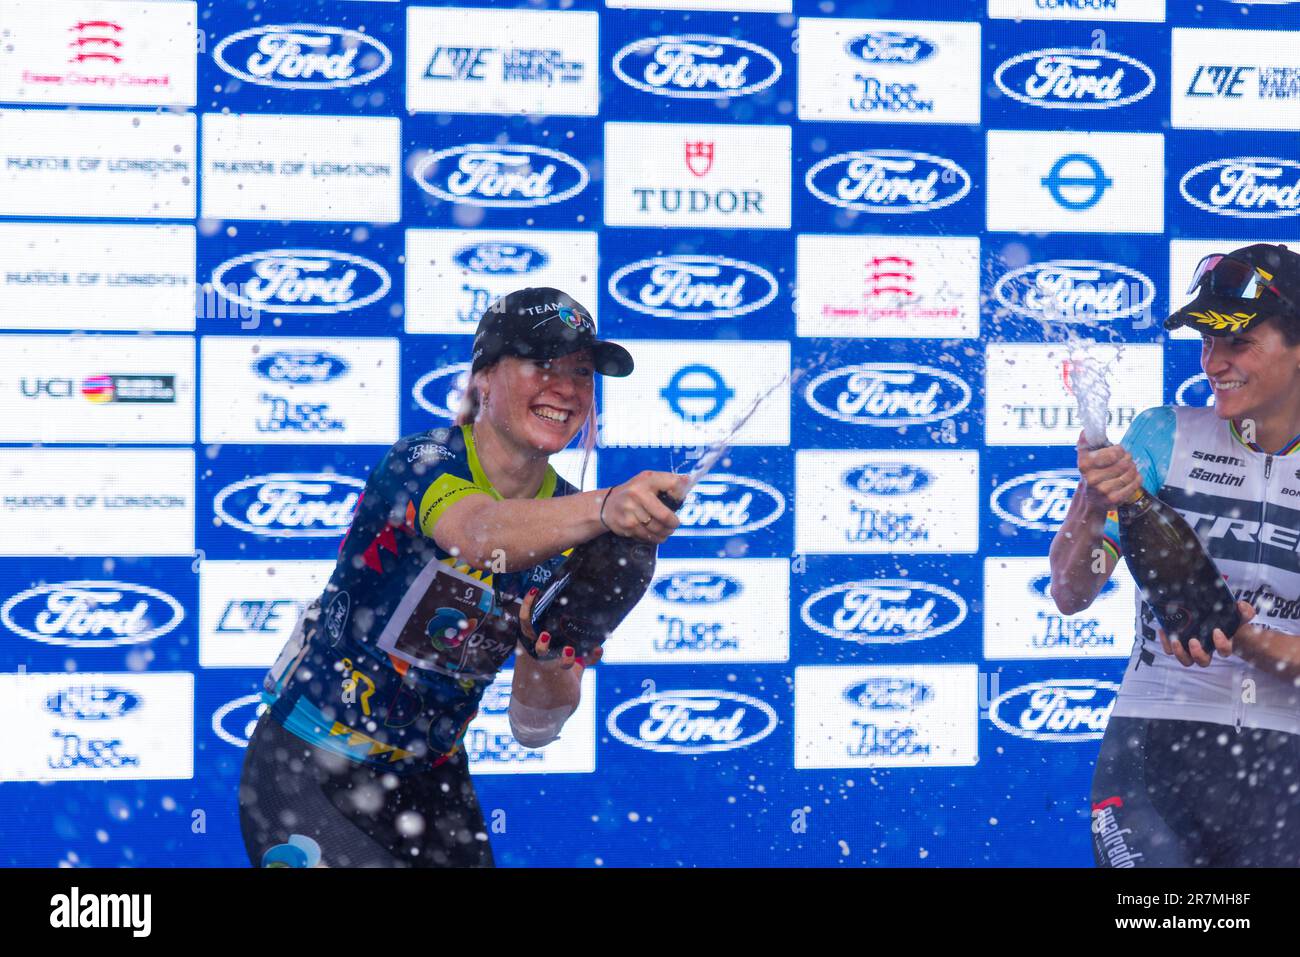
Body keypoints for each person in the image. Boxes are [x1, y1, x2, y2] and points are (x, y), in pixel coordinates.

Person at [239, 287, 690, 867]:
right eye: (541, 364)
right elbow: (480, 535)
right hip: (308, 771)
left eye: (581, 371)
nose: (567, 388)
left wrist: (548, 651)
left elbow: (534, 726)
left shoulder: (575, 526)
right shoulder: (423, 460)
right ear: (483, 379)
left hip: (433, 786)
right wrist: (605, 509)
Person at [1050, 243, 1300, 867]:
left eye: (1236, 341)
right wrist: (1092, 496)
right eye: (1205, 342)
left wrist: (1239, 638)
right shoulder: (1164, 434)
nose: (1214, 363)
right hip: (1154, 745)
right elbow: (1074, 591)